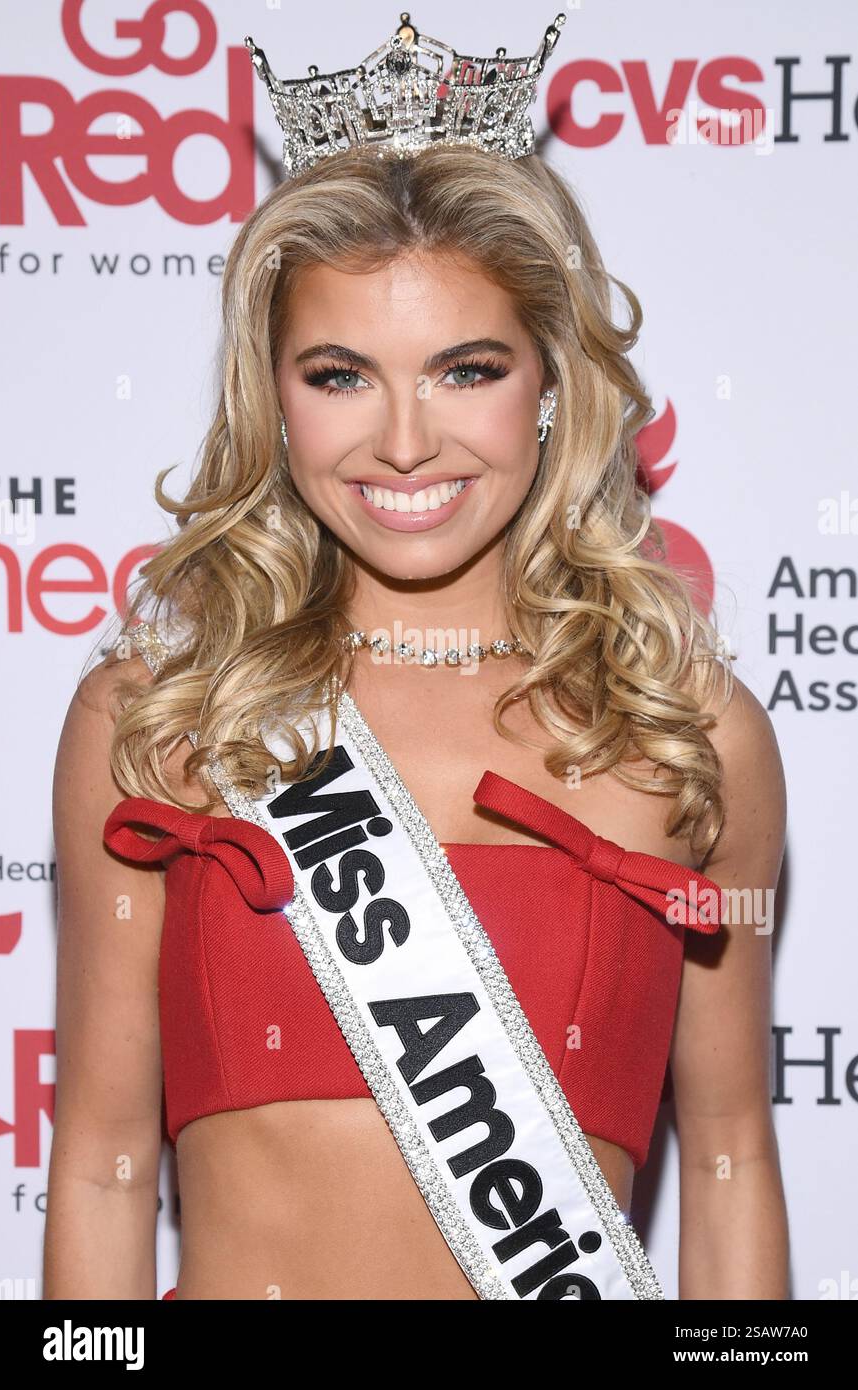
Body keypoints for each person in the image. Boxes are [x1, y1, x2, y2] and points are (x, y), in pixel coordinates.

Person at [42, 14, 788, 1301]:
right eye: (340, 374)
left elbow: (723, 1159)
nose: (402, 441)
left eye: (464, 369)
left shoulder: (686, 731)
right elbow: (105, 1165)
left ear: (549, 381)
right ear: (271, 398)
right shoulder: (158, 718)